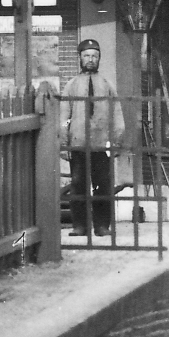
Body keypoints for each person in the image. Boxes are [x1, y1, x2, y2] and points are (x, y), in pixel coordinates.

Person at [61, 38, 126, 236]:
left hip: (101, 144)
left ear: (99, 59)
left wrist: (116, 140)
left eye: (94, 56)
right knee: (78, 185)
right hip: (78, 143)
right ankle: (80, 225)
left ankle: (102, 225)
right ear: (80, 58)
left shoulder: (107, 85)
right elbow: (64, 116)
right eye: (86, 55)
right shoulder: (71, 86)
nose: (90, 59)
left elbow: (117, 115)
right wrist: (64, 143)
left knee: (103, 185)